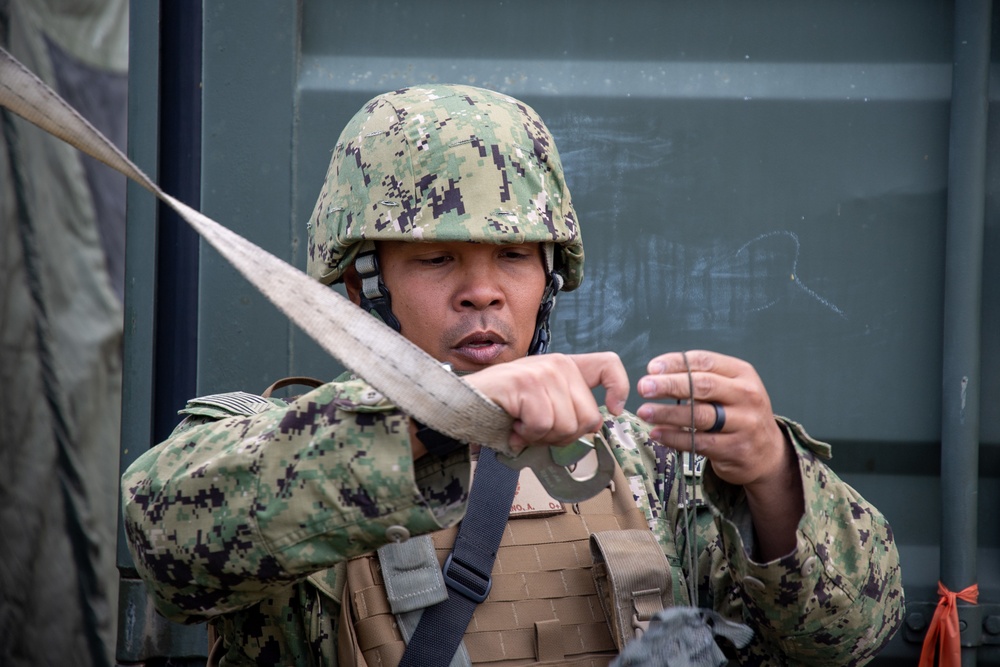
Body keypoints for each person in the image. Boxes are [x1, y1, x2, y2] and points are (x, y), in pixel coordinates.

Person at [122, 84, 903, 666]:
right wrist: (429, 421)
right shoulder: (282, 454)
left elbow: (854, 639)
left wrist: (772, 475)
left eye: (515, 257)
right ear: (363, 284)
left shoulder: (648, 464)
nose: (483, 289)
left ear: (548, 280)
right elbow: (164, 537)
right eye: (436, 258)